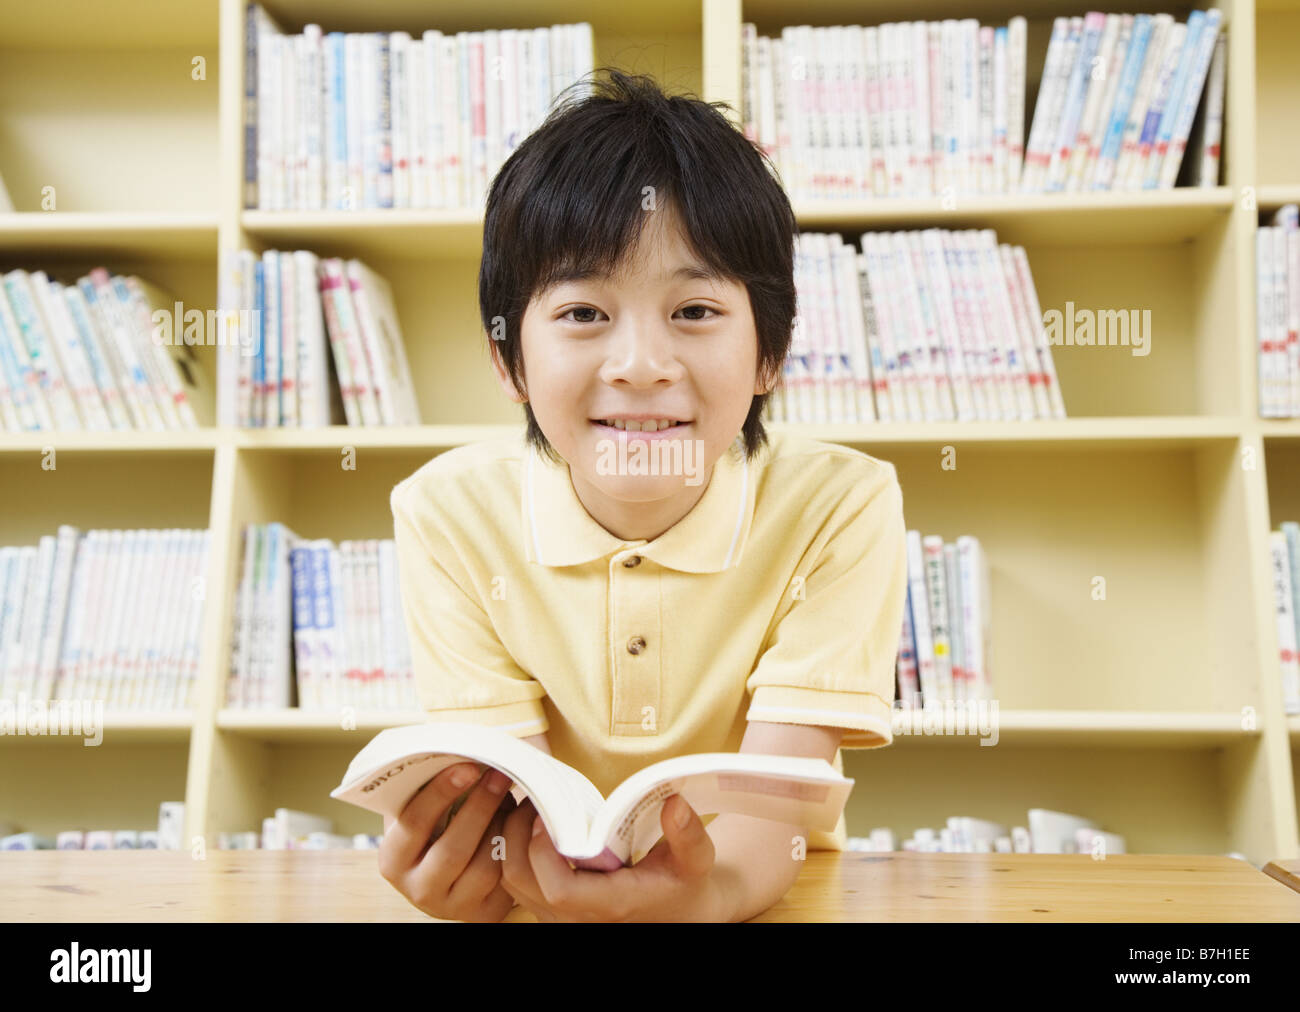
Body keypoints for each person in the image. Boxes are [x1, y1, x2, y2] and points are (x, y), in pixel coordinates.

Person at [378, 69, 908, 922]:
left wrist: (698, 903)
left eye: (694, 310)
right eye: (584, 313)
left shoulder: (841, 504)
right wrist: (477, 875)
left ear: (770, 353)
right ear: (509, 358)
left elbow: (778, 815)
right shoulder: (446, 515)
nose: (640, 364)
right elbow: (514, 815)